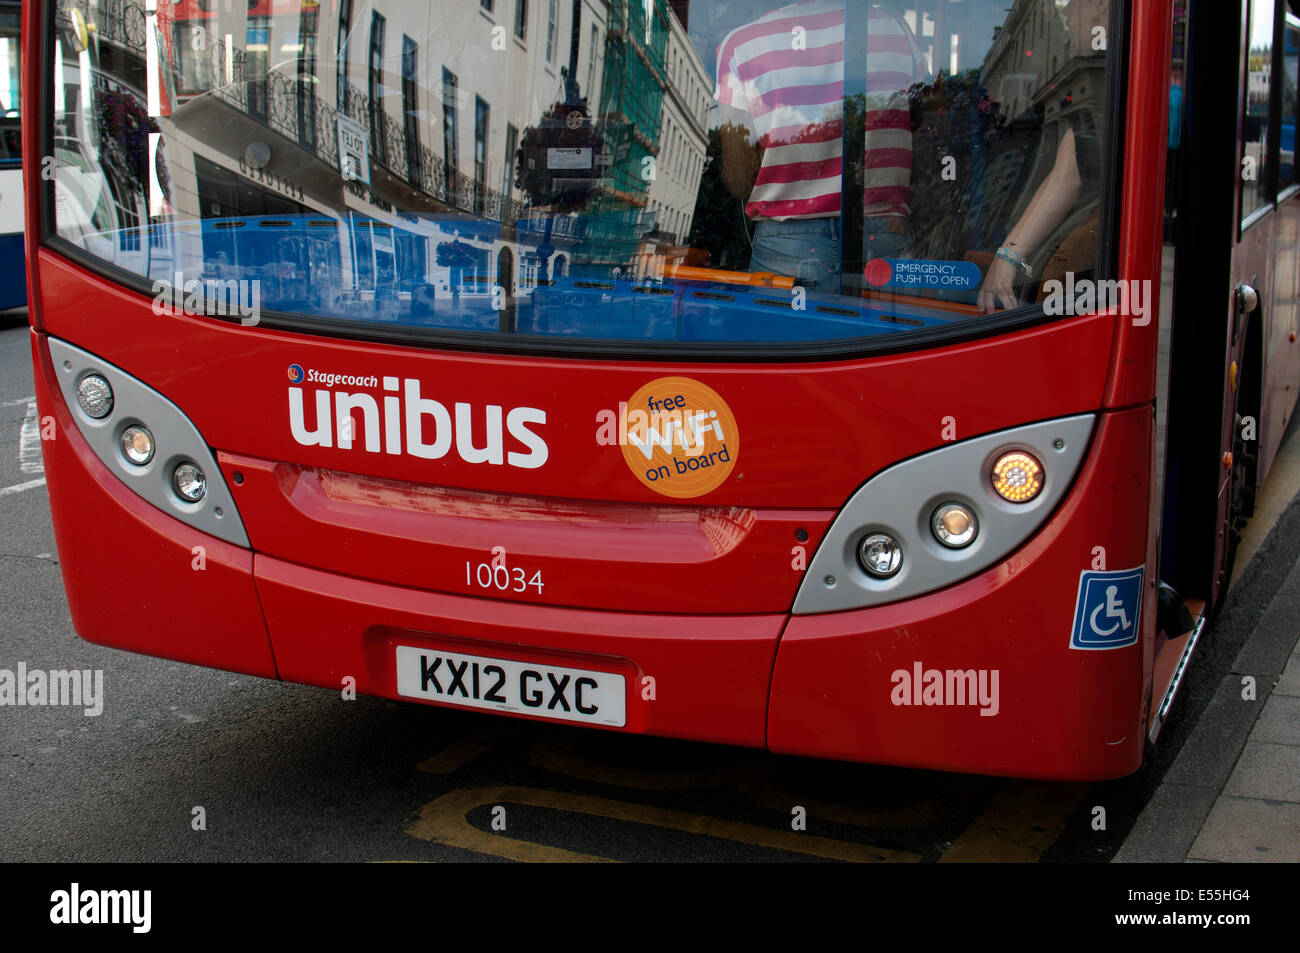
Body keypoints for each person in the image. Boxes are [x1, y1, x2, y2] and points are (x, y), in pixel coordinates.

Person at [714, 0, 932, 291]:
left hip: (786, 242)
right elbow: (922, 129)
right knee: (893, 334)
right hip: (882, 230)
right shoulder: (895, 28)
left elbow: (738, 178)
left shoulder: (740, 45)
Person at [977, 0, 1110, 314]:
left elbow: (1068, 176)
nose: (1065, 12)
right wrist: (1008, 254)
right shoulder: (1099, 73)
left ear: (1103, 6)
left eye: (1073, 4)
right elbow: (1063, 173)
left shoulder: (1111, 77)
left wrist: (1009, 257)